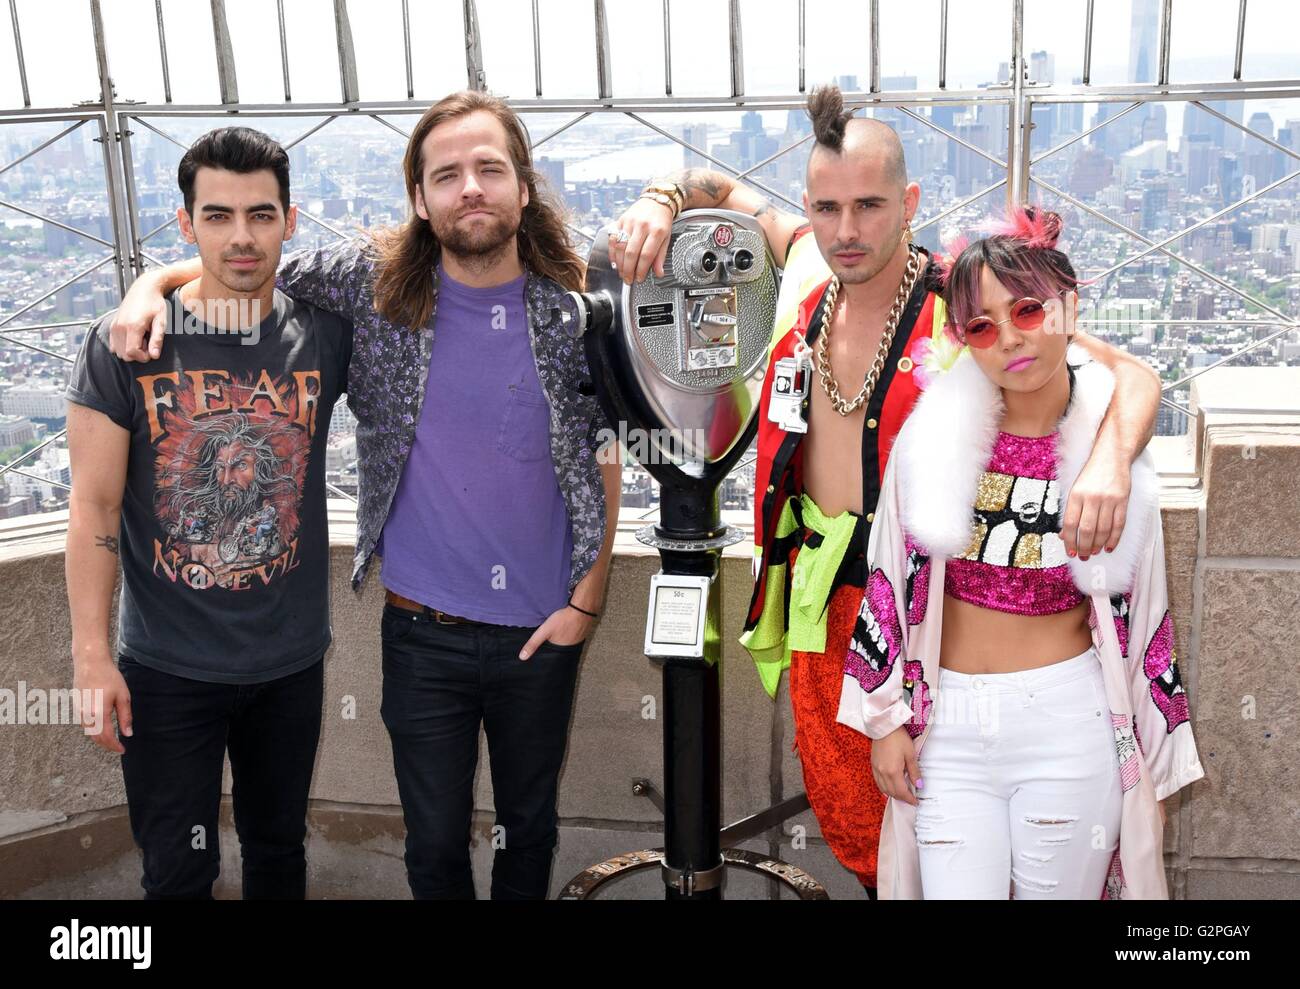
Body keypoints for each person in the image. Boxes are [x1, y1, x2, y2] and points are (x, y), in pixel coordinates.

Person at [610, 85, 1163, 894]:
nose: (847, 230)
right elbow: (714, 186)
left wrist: (1109, 463)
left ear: (908, 203)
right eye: (827, 207)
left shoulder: (963, 305)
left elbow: (1131, 375)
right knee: (864, 843)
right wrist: (661, 200)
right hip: (820, 611)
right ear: (808, 208)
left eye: (869, 205)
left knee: (943, 844)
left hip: (923, 621)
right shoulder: (806, 263)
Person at [107, 91, 620, 900]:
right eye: (445, 174)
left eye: (490, 168)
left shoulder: (577, 311)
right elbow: (242, 262)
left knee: (530, 829)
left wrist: (585, 602)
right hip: (420, 632)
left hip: (540, 627)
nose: (470, 188)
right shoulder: (375, 289)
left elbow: (605, 453)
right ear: (419, 198)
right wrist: (148, 286)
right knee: (433, 845)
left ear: (524, 186)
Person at [837, 207, 1204, 898]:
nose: (1009, 337)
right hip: (946, 726)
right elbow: (887, 582)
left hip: (1070, 725)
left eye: (1027, 310)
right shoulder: (935, 438)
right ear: (963, 340)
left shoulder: (1111, 453)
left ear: (1067, 309)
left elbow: (1146, 624)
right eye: (981, 325)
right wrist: (885, 722)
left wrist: (1151, 774)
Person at [66, 126, 351, 899]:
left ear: (290, 221)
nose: (242, 236)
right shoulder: (126, 344)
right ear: (186, 224)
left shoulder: (322, 333)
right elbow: (93, 506)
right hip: (166, 667)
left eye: (261, 214)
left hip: (289, 661)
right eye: (217, 216)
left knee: (279, 854)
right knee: (177, 872)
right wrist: (91, 657)